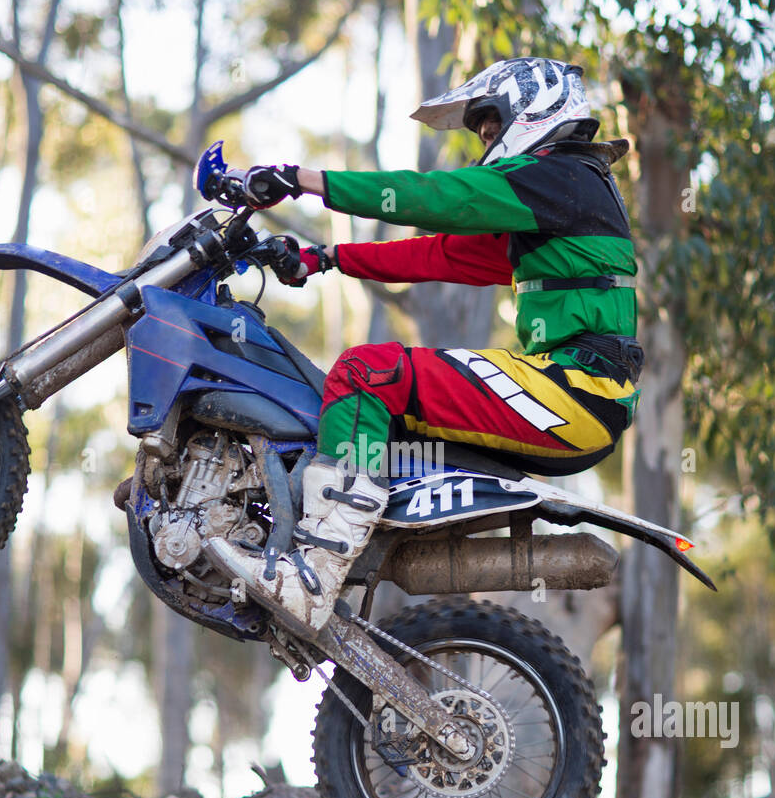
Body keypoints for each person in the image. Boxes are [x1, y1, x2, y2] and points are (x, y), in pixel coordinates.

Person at [219, 57, 644, 632]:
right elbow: (442, 253)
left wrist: (302, 181)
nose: (486, 137)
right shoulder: (559, 201)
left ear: (535, 105)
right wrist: (330, 258)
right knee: (381, 414)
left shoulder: (562, 177)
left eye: (491, 122)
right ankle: (340, 544)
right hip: (578, 398)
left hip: (574, 391)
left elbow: (434, 195)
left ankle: (317, 568)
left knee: (367, 373)